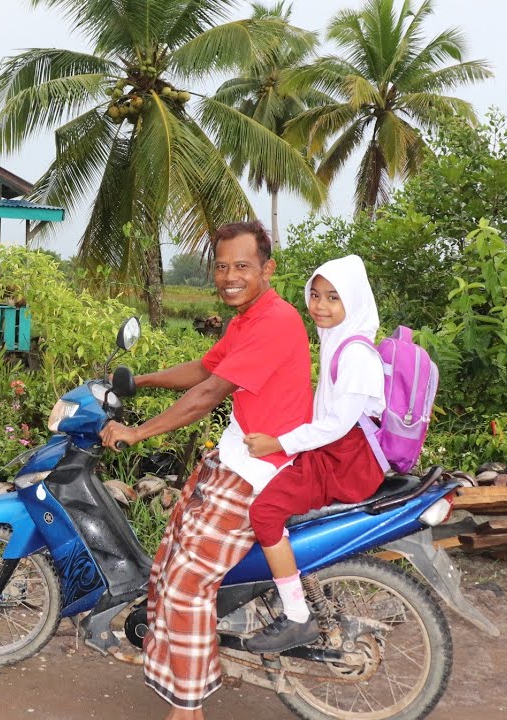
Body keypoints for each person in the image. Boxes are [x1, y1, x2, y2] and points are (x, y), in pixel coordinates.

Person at [100, 220, 312, 719]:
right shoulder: (246, 320)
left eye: (242, 265)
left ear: (267, 269)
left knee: (187, 584)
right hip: (236, 454)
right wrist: (137, 381)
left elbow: (208, 395)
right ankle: (172, 675)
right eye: (221, 267)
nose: (229, 276)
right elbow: (204, 369)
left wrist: (136, 432)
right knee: (166, 561)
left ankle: (188, 709)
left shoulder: (276, 321)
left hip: (262, 469)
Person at [241, 254, 388, 653]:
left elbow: (337, 425)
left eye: (333, 298)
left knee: (264, 512)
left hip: (345, 461)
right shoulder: (339, 341)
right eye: (316, 295)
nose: (320, 306)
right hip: (337, 453)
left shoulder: (356, 354)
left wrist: (279, 443)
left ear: (353, 302)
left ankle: (297, 616)